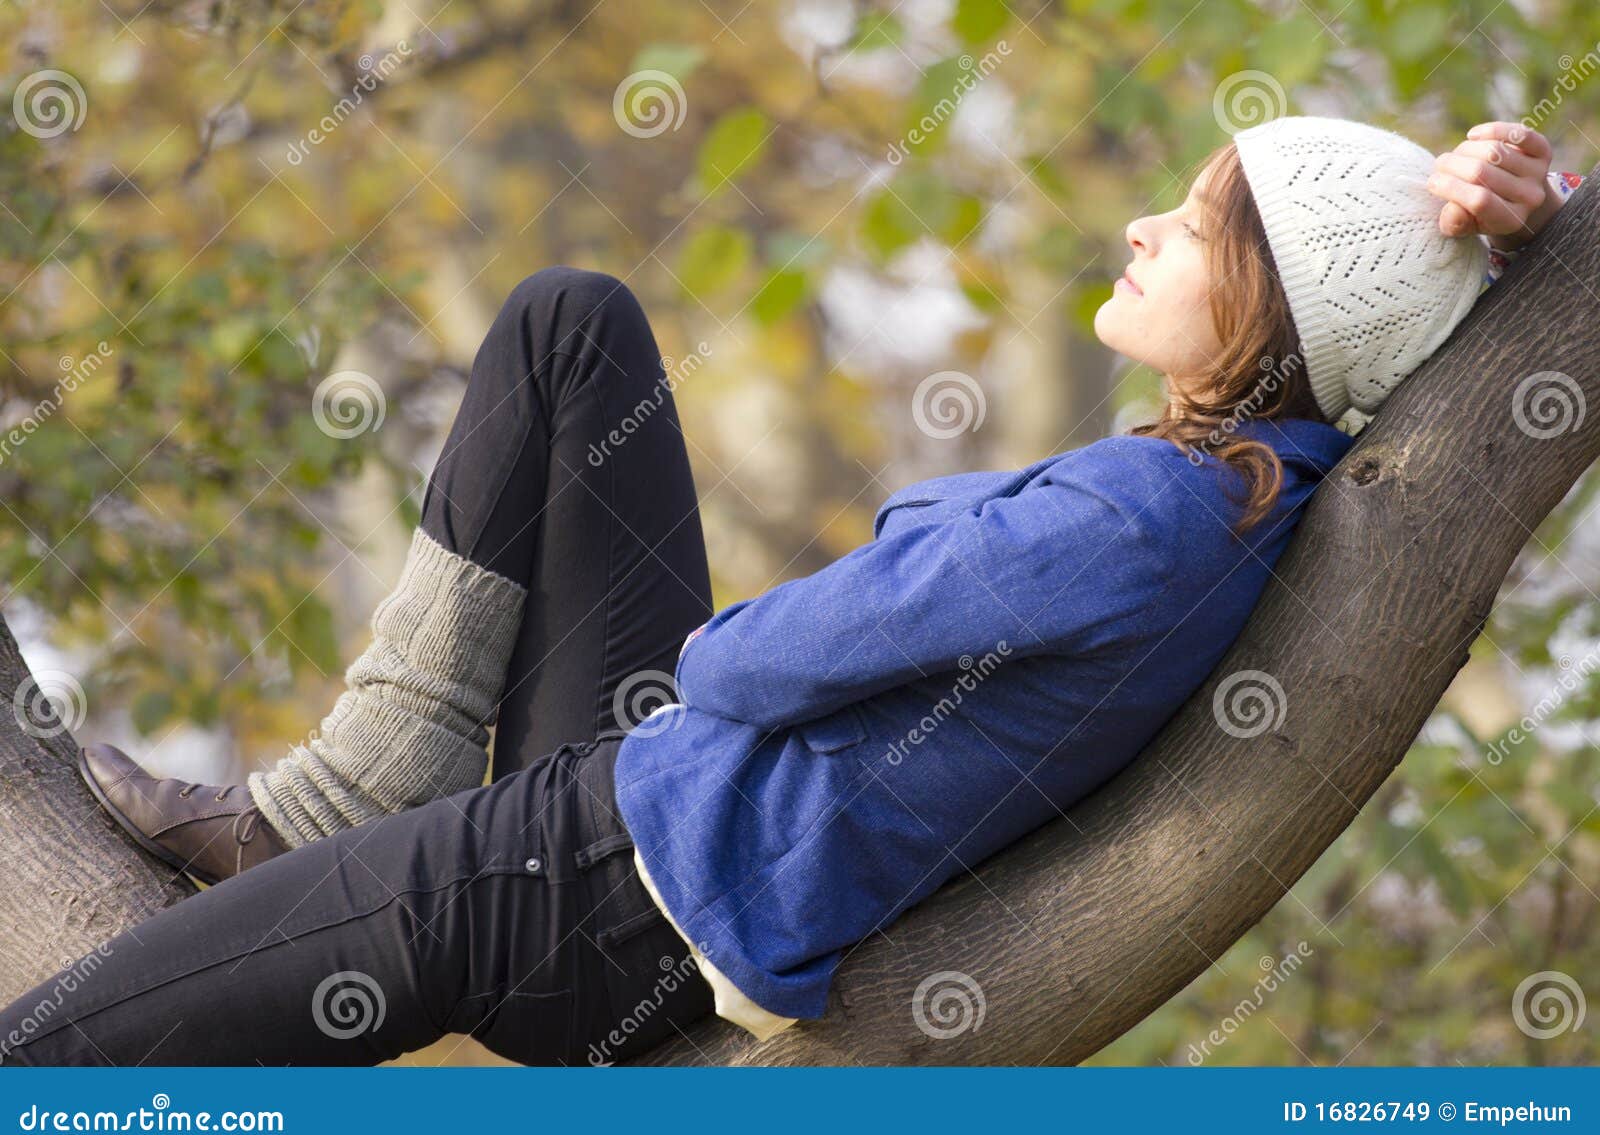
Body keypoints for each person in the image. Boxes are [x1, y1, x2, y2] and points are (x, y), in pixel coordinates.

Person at [0, 116, 1583, 1065]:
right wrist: (1474, 207)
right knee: (573, 327)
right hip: (659, 814)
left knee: (52, 1052)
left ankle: (354, 816)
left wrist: (713, 650)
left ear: (1280, 297)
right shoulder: (1246, 488)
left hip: (598, 893)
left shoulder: (1148, 516)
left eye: (1197, 219)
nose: (1144, 224)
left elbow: (757, 664)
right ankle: (355, 787)